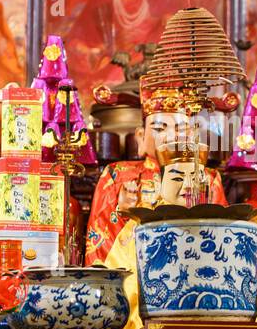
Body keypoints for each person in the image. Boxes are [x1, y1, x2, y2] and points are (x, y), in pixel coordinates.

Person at [103, 136, 257, 329]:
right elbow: (117, 282)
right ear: (159, 184)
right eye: (177, 177)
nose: (188, 186)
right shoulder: (140, 229)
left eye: (196, 177)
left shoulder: (225, 225)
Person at [84, 83, 227, 266]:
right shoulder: (117, 175)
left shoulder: (208, 178)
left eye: (181, 129)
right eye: (159, 129)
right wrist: (122, 213)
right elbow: (99, 243)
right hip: (134, 271)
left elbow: (222, 236)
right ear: (140, 137)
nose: (170, 137)